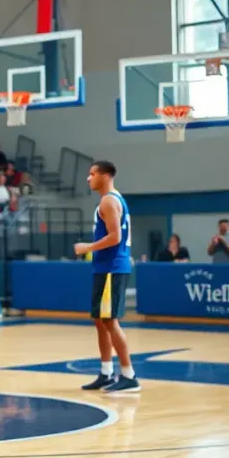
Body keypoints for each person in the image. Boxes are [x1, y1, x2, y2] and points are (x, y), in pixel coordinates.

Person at [73, 160, 140, 393]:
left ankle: (129, 375)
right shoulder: (111, 199)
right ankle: (106, 372)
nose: (88, 178)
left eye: (92, 174)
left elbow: (115, 237)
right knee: (100, 321)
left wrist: (87, 247)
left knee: (110, 321)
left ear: (106, 175)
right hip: (105, 267)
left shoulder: (109, 201)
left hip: (113, 266)